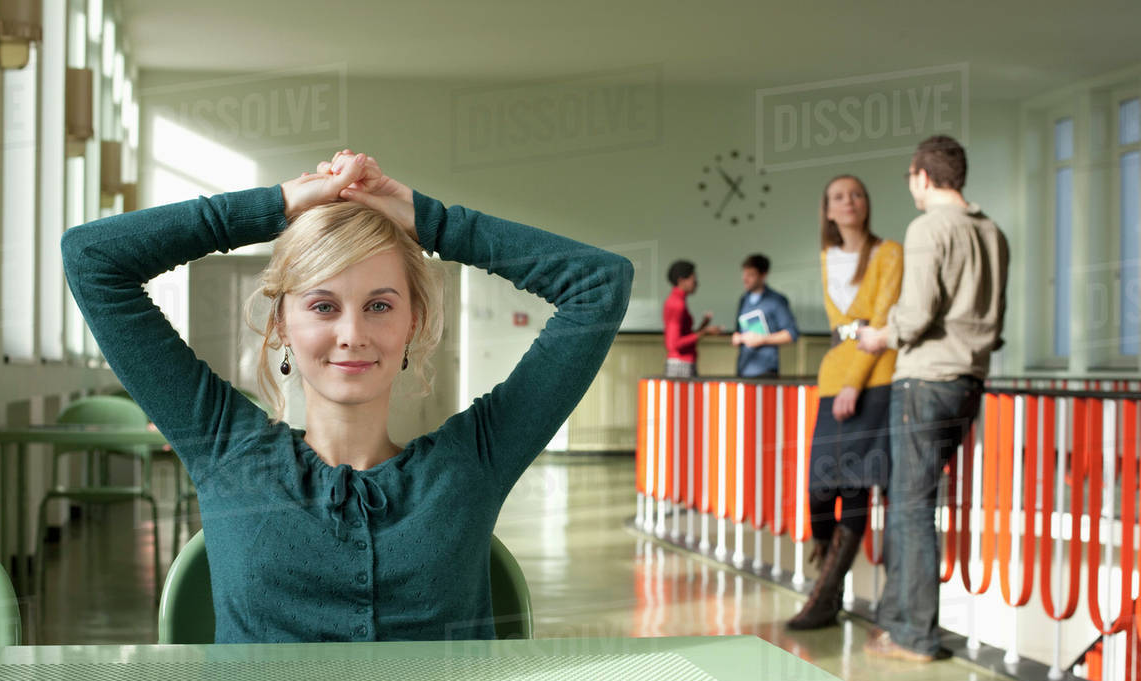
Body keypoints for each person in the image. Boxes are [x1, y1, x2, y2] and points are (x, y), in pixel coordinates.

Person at [61, 150, 633, 643]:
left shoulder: (472, 462)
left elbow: (599, 285)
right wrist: (281, 203)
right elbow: (92, 258)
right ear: (282, 325)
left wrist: (432, 223)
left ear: (414, 322)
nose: (353, 333)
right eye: (323, 305)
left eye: (380, 305)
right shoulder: (226, 450)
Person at [857, 135, 1009, 661]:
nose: (912, 189)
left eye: (910, 178)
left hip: (925, 381)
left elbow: (917, 315)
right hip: (969, 381)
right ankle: (898, 624)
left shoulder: (928, 228)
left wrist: (878, 335)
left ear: (923, 175)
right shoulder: (992, 232)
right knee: (913, 502)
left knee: (912, 506)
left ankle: (915, 634)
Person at [787, 176, 903, 630]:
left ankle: (825, 597)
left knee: (854, 485)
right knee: (819, 486)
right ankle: (825, 563)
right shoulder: (825, 258)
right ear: (828, 211)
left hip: (874, 377)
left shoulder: (888, 252)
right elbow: (842, 329)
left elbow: (879, 321)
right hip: (834, 375)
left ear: (866, 204)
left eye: (857, 194)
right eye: (838, 196)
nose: (849, 201)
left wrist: (855, 383)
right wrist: (841, 378)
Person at [730, 254, 799, 377]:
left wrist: (762, 339)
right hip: (744, 367)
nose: (745, 279)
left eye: (751, 275)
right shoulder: (744, 300)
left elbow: (791, 334)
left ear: (763, 275)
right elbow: (738, 331)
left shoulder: (776, 301)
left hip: (766, 370)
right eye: (744, 274)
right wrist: (737, 338)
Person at [663, 259, 721, 378]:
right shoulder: (677, 304)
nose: (696, 282)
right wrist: (705, 332)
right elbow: (673, 344)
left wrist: (703, 326)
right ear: (681, 280)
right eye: (693, 278)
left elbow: (685, 337)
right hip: (680, 366)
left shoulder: (677, 301)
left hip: (681, 363)